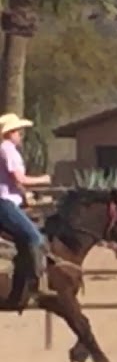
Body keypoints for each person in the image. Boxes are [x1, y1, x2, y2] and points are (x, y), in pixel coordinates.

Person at [0, 112, 52, 305]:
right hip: (4, 204)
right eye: (18, 131)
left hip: (7, 202)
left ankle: (18, 288)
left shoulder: (5, 150)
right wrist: (44, 180)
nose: (21, 135)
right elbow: (20, 179)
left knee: (24, 241)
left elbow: (14, 183)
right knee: (35, 237)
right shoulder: (9, 150)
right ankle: (38, 284)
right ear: (11, 133)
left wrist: (26, 196)